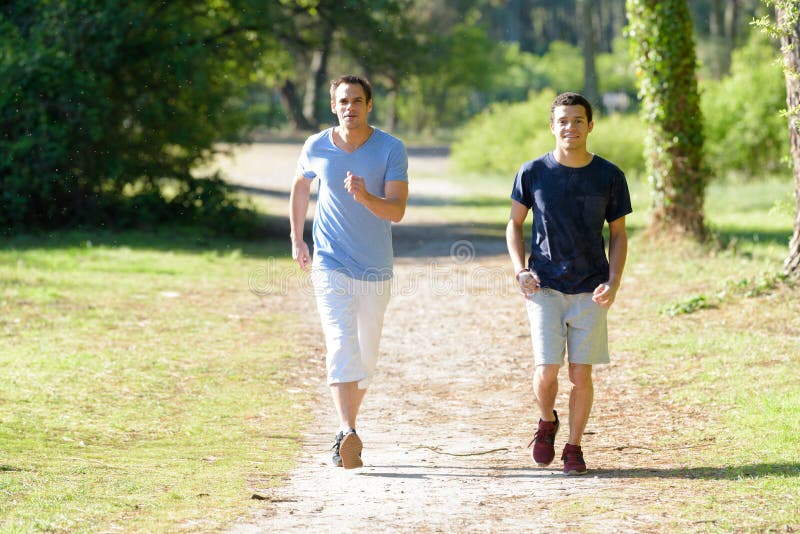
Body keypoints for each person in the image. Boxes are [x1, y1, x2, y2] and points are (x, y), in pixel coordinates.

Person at [505, 92, 631, 476]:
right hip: (543, 286)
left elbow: (620, 235)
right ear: (552, 126)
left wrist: (614, 281)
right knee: (546, 370)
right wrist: (519, 270)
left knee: (581, 374)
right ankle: (547, 422)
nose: (570, 127)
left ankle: (574, 447)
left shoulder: (609, 176)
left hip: (591, 288)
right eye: (563, 121)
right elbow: (514, 224)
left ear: (590, 126)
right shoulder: (532, 173)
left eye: (578, 120)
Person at [289, 74, 409, 469]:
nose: (350, 107)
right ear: (333, 105)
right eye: (343, 101)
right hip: (330, 261)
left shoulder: (391, 149)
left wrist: (365, 195)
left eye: (357, 100)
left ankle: (346, 431)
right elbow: (301, 186)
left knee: (366, 355)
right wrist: (298, 238)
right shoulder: (317, 145)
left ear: (369, 105)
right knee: (341, 342)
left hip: (375, 266)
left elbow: (397, 210)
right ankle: (347, 430)